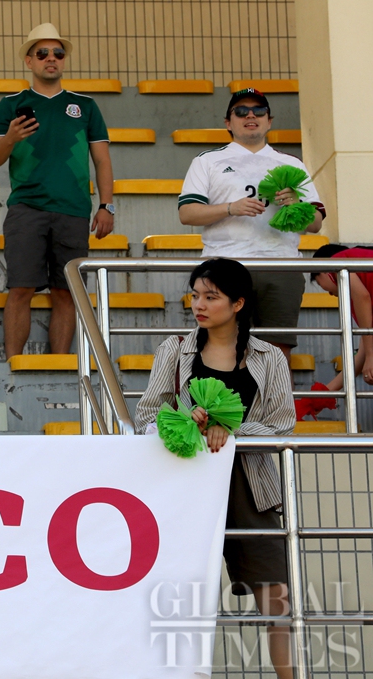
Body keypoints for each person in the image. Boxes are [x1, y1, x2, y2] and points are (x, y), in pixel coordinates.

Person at [135, 259, 295, 679]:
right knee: (174, 594)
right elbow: (147, 415)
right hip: (185, 482)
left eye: (211, 296)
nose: (199, 305)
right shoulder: (175, 349)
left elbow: (283, 423)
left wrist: (232, 428)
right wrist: (189, 423)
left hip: (251, 485)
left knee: (277, 597)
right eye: (195, 295)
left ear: (238, 303)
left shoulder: (269, 357)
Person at [0, 22, 114, 361]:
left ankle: (58, 366)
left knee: (66, 291)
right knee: (21, 288)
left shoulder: (85, 106)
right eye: (42, 53)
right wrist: (10, 137)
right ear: (29, 61)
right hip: (27, 208)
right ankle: (14, 364)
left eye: (58, 53)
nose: (51, 59)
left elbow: (101, 160)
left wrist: (107, 206)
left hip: (73, 210)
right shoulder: (11, 104)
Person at [178, 87, 326, 363]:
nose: (250, 115)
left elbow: (316, 224)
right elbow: (187, 213)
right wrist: (230, 208)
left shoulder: (291, 163)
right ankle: (224, 407)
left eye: (259, 110)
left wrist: (296, 204)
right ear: (228, 122)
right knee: (221, 349)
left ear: (269, 121)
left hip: (281, 265)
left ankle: (276, 407)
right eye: (241, 110)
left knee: (278, 354)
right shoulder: (207, 161)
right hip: (225, 265)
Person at [311, 243, 373, 387]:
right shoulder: (361, 293)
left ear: (323, 272)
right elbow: (361, 356)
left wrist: (371, 355)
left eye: (320, 285)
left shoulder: (337, 263)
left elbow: (362, 296)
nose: (328, 293)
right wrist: (322, 396)